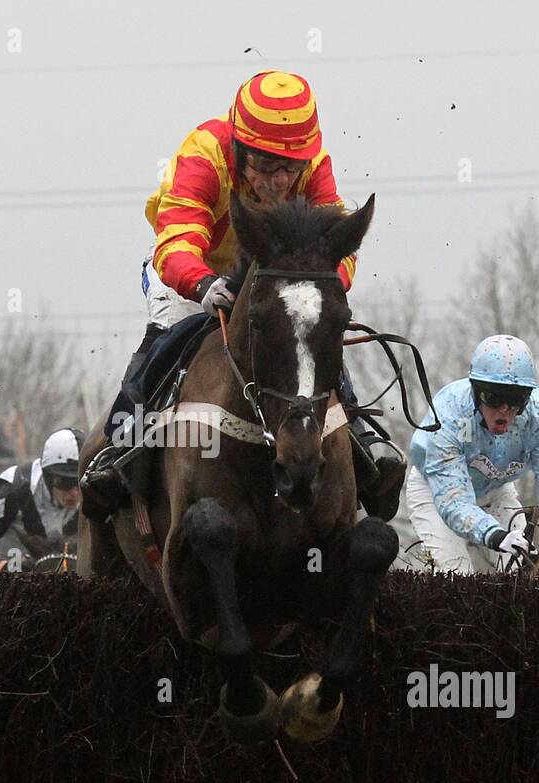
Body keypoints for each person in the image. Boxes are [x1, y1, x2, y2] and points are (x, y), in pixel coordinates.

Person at [81, 70, 402, 519]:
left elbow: (337, 250)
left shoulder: (313, 163)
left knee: (308, 336)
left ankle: (364, 443)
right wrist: (200, 284)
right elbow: (176, 238)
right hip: (195, 272)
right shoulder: (204, 153)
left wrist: (320, 293)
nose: (278, 180)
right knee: (169, 338)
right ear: (239, 147)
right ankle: (118, 453)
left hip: (271, 281)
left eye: (289, 168)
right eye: (266, 166)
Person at [406, 335, 539, 574]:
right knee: (457, 577)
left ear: (527, 397)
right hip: (436, 492)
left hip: (496, 492)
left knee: (523, 574)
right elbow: (455, 499)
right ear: (476, 391)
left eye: (515, 399)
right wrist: (493, 534)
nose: (504, 410)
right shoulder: (451, 412)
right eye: (493, 397)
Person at [0, 426, 84, 571]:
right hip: (6, 583)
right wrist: (3, 567)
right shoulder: (15, 486)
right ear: (48, 476)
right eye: (65, 482)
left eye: (79, 482)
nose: (74, 493)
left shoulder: (94, 492)